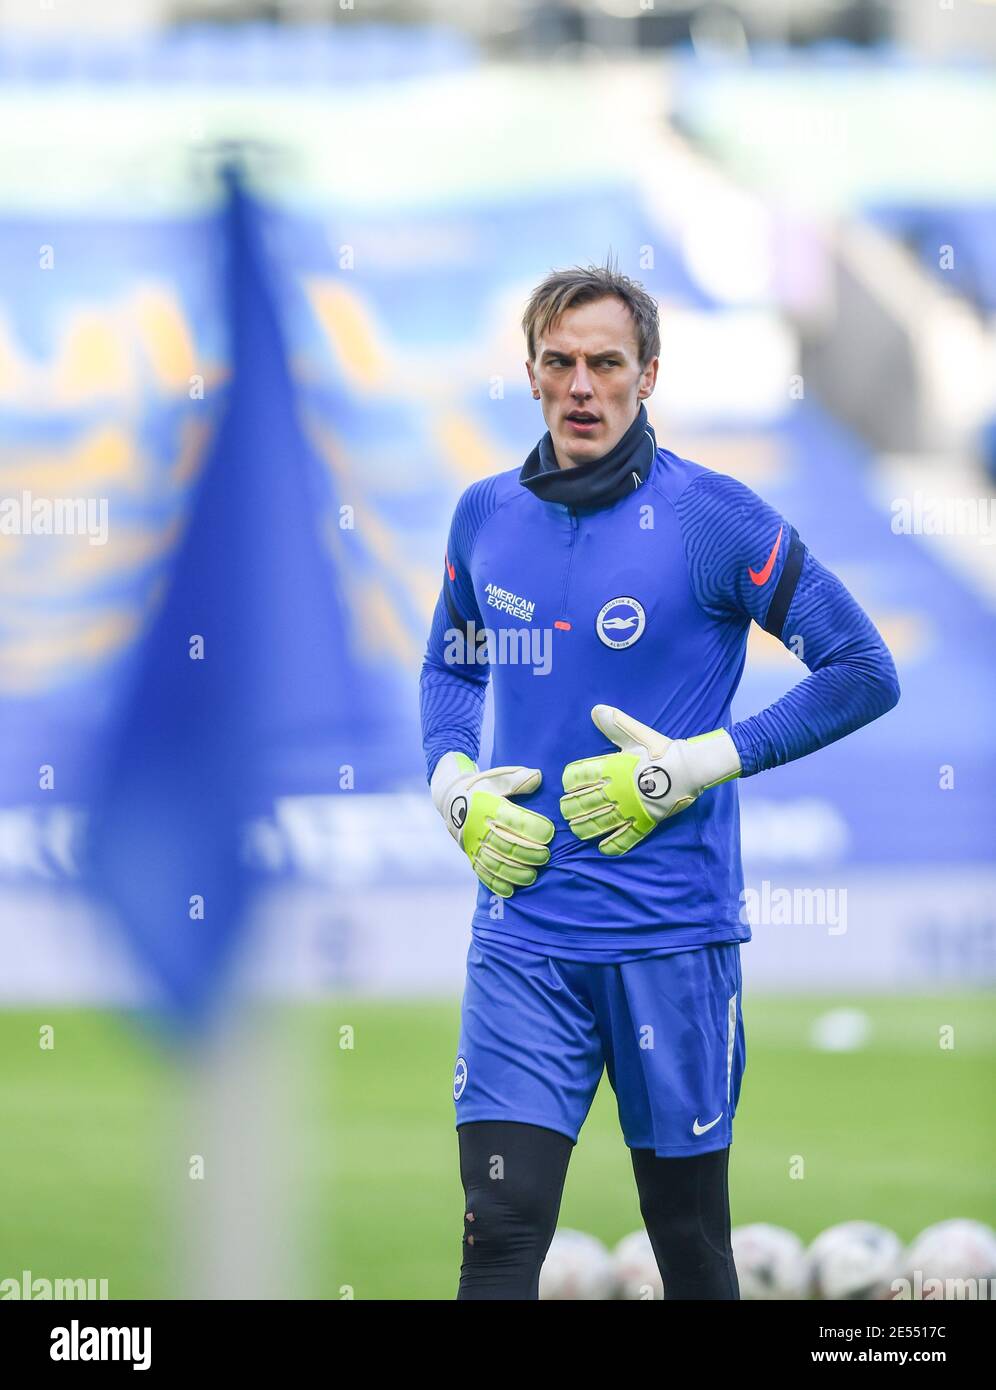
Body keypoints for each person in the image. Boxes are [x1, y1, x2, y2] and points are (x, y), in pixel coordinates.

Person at [419, 263, 899, 1300]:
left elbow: (864, 670)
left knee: (689, 1246)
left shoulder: (714, 520)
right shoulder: (484, 515)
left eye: (605, 363)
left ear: (649, 376)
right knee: (498, 1231)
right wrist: (451, 782)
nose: (581, 386)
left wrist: (697, 764)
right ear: (531, 373)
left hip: (671, 942)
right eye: (559, 363)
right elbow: (450, 668)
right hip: (524, 934)